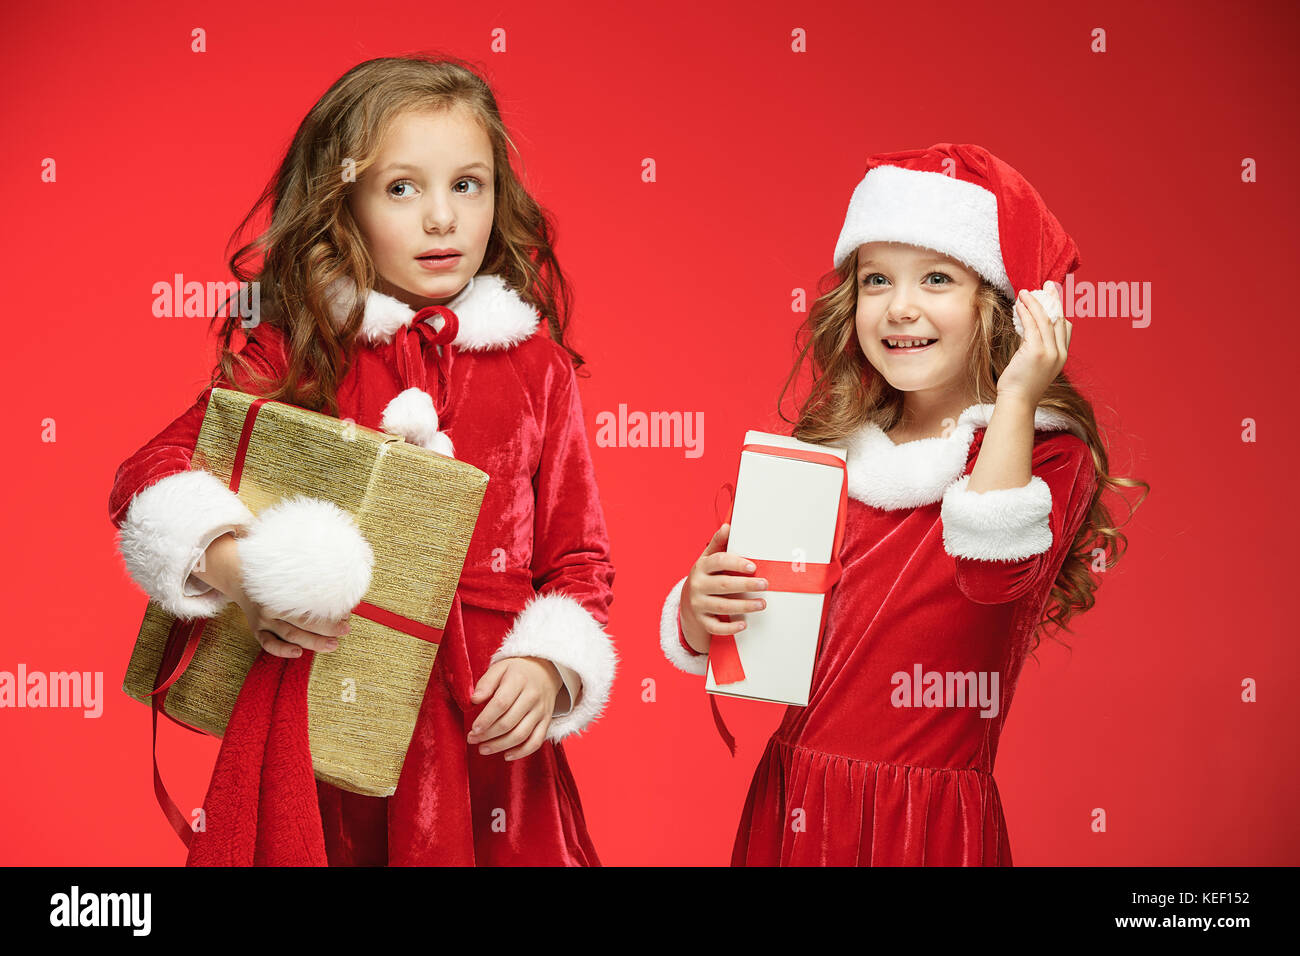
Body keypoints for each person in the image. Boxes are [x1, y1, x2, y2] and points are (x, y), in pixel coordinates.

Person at [110, 54, 616, 866]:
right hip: (327, 720)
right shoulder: (302, 348)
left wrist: (553, 665)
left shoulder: (539, 370)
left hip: (487, 741)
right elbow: (150, 473)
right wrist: (247, 574)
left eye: (469, 184)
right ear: (342, 202)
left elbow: (580, 561)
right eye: (402, 188)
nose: (443, 219)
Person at [658, 143, 1147, 865]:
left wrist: (1016, 397)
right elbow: (761, 637)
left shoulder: (1044, 452)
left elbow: (991, 575)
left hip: (924, 821)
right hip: (794, 802)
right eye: (877, 278)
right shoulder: (835, 448)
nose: (900, 307)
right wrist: (700, 611)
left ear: (999, 302)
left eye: (938, 278)